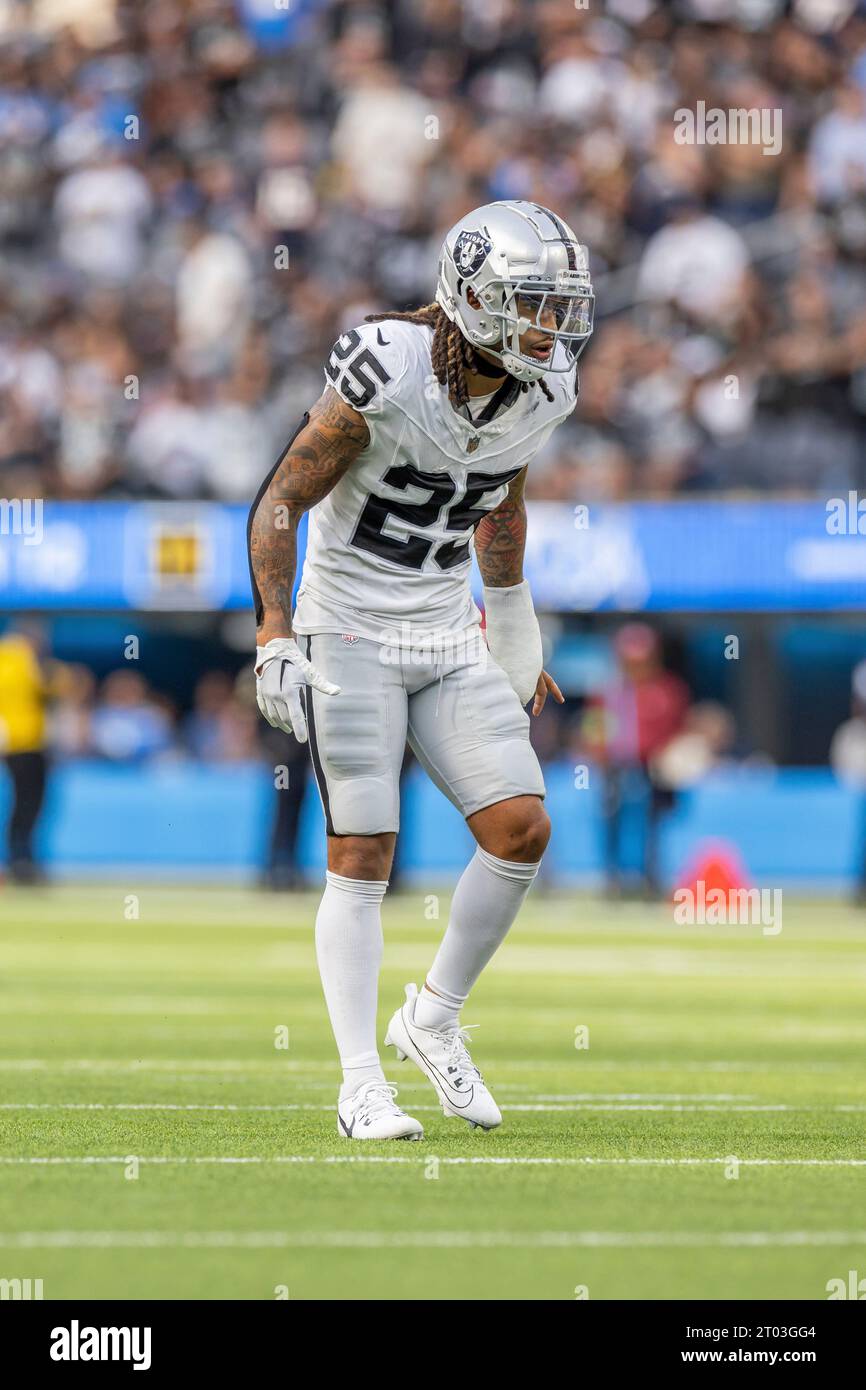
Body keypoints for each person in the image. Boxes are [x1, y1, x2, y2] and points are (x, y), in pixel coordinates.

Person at [248, 200, 593, 1140]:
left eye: (559, 306)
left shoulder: (544, 386)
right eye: (532, 304)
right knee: (363, 851)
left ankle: (432, 1018)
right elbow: (282, 499)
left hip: (444, 627)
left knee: (521, 827)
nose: (551, 326)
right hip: (349, 624)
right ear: (475, 299)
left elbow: (503, 497)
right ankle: (360, 1082)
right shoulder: (387, 365)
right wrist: (276, 629)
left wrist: (513, 617)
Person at [582, 623, 690, 899]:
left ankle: (650, 881)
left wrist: (672, 759)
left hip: (653, 769)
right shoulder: (607, 692)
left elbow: (678, 731)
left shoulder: (668, 690)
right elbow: (594, 730)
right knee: (612, 822)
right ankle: (613, 881)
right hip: (615, 767)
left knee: (653, 826)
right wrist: (598, 755)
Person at [0, 623, 56, 883]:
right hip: (22, 742)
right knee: (27, 803)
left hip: (24, 741)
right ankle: (20, 860)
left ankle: (22, 859)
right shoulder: (18, 660)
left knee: (28, 804)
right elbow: (49, 686)